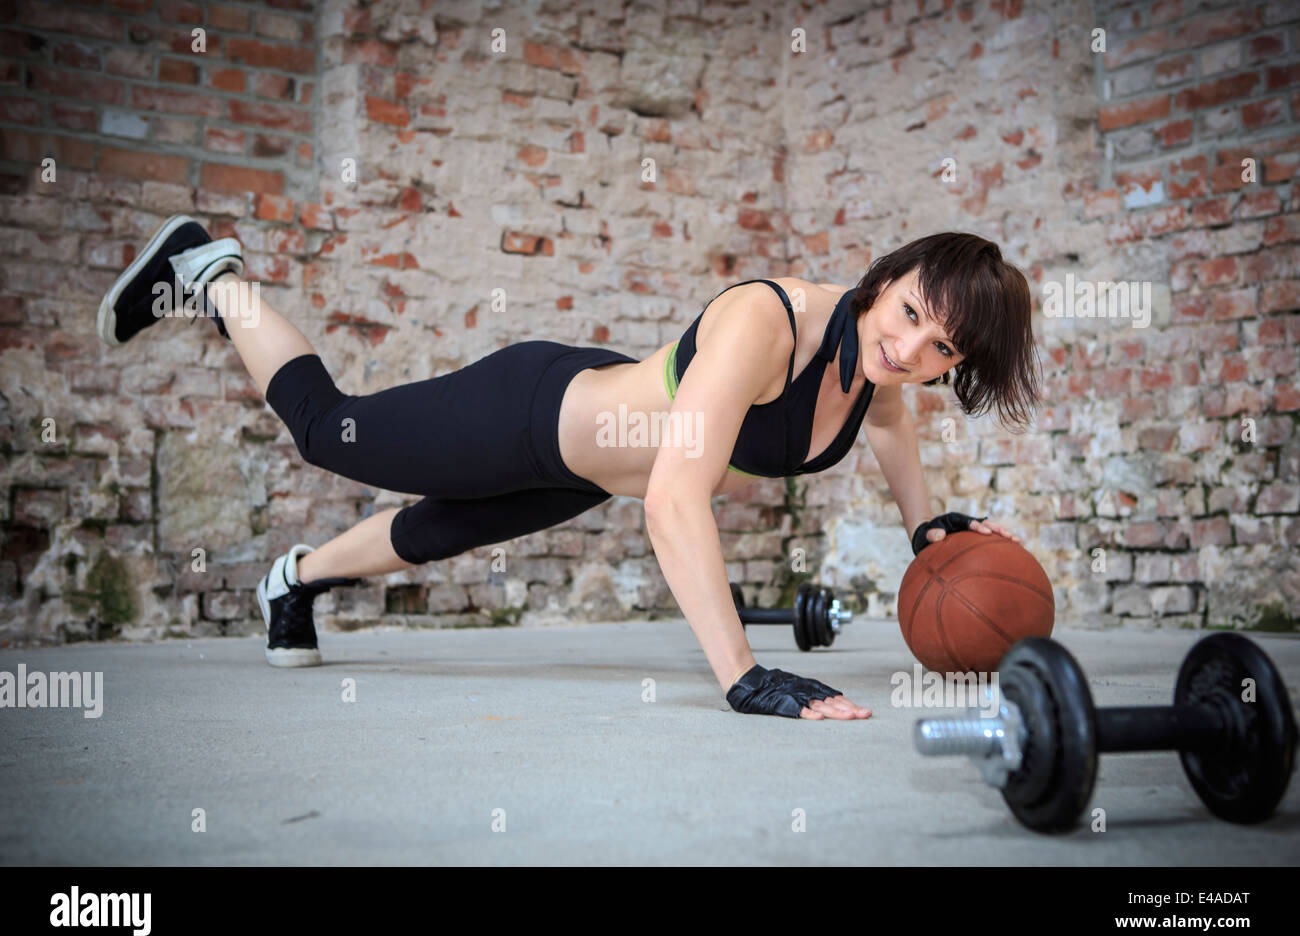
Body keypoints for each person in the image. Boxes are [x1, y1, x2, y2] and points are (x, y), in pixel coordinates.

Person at [97, 220, 1038, 719]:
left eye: (942, 347)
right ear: (887, 279)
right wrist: (743, 675)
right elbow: (674, 500)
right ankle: (213, 271)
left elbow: (888, 427)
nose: (910, 348)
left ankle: (292, 581)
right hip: (533, 411)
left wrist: (928, 530)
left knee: (432, 531)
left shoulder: (876, 373)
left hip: (582, 469)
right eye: (911, 312)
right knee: (325, 428)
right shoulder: (772, 322)